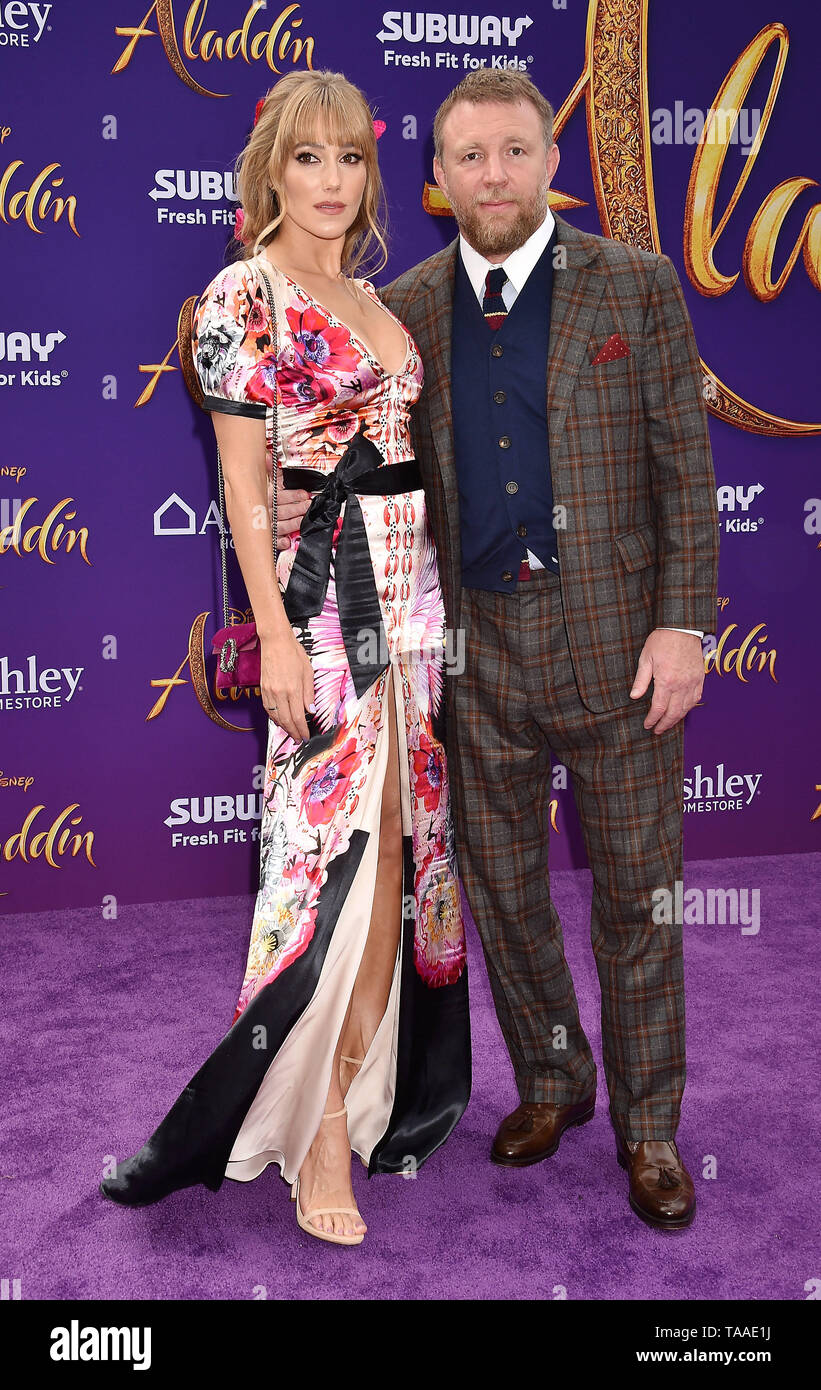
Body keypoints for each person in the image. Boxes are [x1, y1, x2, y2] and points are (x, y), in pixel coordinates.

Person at [280, 69, 720, 1231]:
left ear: (546, 163)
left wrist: (682, 623)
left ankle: (649, 1127)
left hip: (619, 649)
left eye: (513, 152)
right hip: (468, 658)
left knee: (637, 897)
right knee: (505, 894)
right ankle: (553, 1082)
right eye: (467, 157)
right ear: (434, 179)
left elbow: (685, 466)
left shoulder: (636, 284)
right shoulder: (408, 308)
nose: (491, 176)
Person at [99, 69, 470, 1247]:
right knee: (327, 878)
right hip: (318, 612)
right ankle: (311, 1143)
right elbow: (243, 484)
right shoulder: (239, 295)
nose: (329, 180)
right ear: (269, 172)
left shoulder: (377, 300)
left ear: (370, 173)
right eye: (305, 158)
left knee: (401, 873)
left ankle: (354, 1093)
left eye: (349, 157)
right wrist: (269, 632)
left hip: (411, 610)